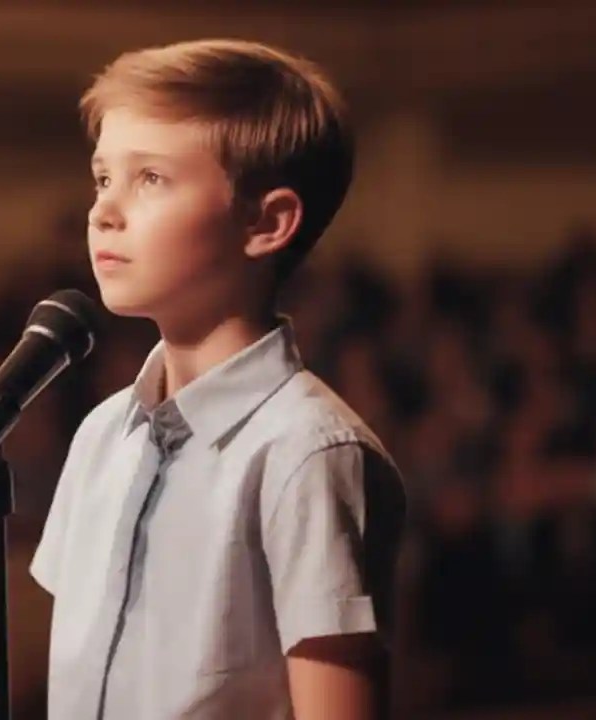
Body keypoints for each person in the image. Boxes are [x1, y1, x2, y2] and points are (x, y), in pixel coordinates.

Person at [30, 39, 407, 719]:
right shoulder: (99, 437)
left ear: (267, 222)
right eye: (102, 178)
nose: (103, 211)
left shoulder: (304, 454)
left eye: (151, 178)